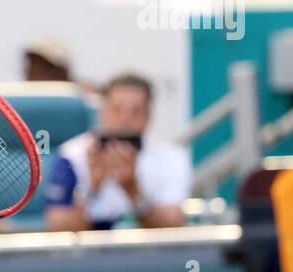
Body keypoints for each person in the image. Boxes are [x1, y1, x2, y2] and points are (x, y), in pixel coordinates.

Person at [42, 72, 190, 231]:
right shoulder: (71, 156)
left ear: (149, 116)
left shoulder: (171, 158)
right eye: (117, 109)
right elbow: (58, 228)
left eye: (136, 111)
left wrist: (133, 191)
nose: (126, 119)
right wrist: (92, 189)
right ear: (102, 112)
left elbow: (172, 227)